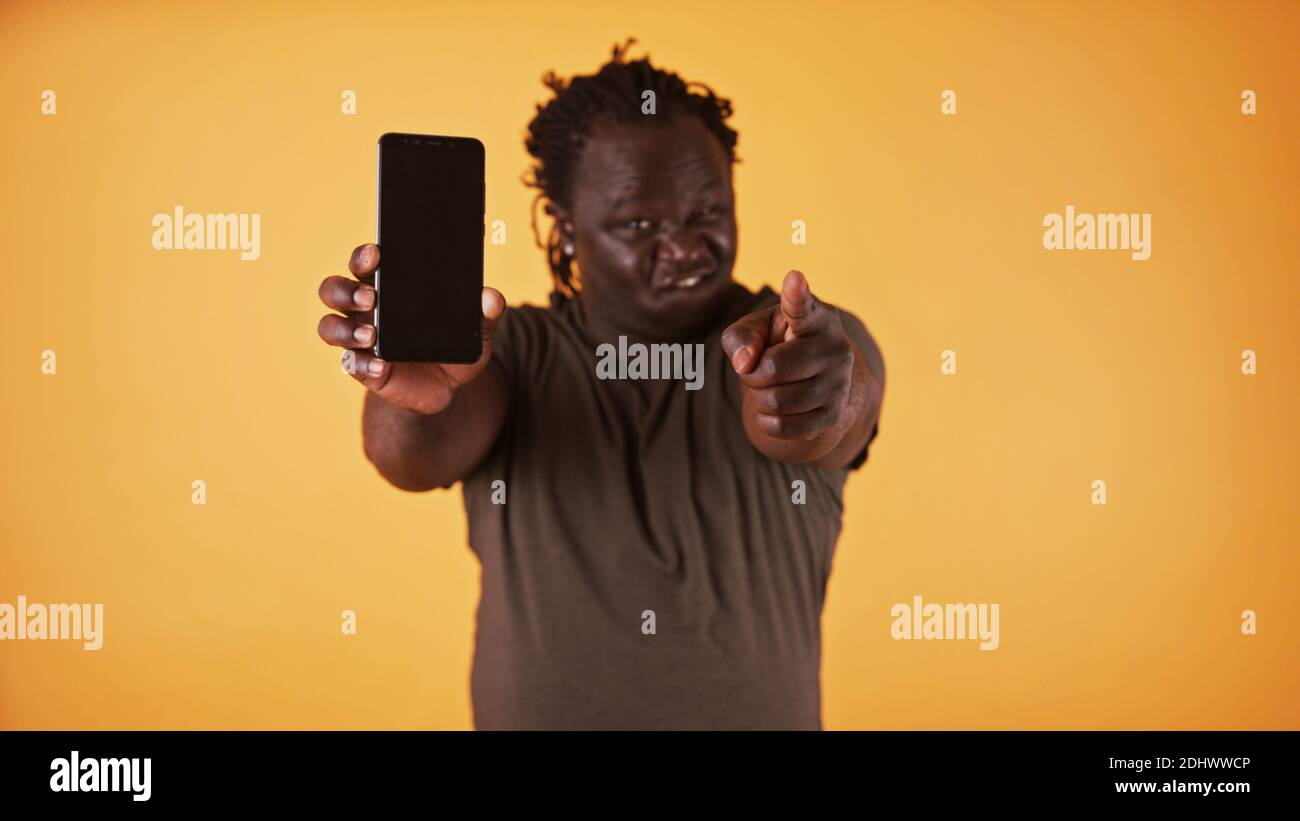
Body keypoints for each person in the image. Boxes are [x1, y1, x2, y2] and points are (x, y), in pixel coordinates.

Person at [315, 40, 885, 729]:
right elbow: (409, 457)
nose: (682, 247)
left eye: (706, 212)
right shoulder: (514, 353)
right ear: (564, 228)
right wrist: (407, 390)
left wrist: (813, 392)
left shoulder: (800, 341)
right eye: (639, 223)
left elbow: (828, 412)